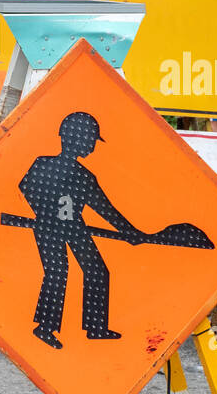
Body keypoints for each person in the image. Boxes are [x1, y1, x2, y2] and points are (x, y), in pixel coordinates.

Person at [16, 112, 148, 349]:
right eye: (89, 141)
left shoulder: (83, 176)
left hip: (73, 226)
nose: (91, 146)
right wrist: (45, 213)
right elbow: (25, 186)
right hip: (49, 227)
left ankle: (96, 328)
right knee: (58, 270)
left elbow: (106, 209)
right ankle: (45, 328)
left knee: (97, 270)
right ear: (76, 139)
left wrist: (130, 233)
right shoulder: (45, 164)